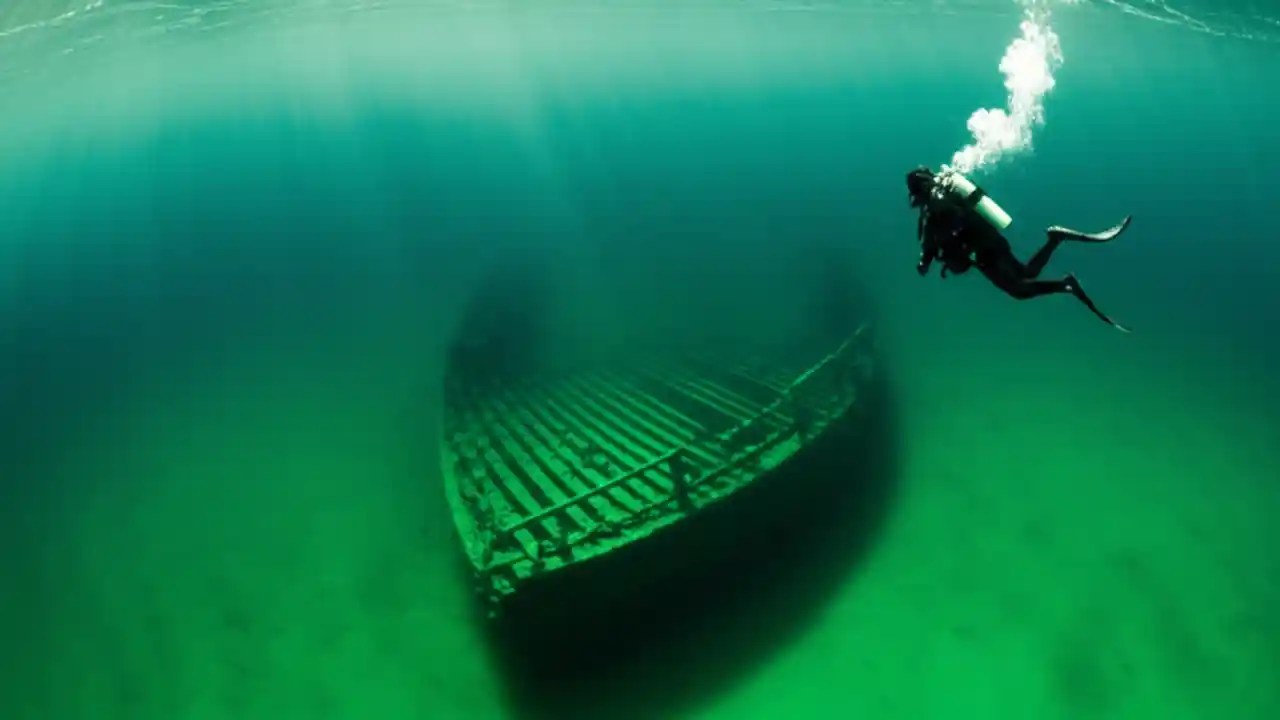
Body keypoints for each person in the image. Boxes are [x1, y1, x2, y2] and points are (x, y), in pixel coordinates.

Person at [905, 166, 1132, 332]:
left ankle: (1065, 282)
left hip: (983, 253)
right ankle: (1056, 242)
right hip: (993, 240)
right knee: (1026, 273)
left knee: (1018, 290)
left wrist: (925, 262)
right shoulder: (946, 192)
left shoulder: (932, 209)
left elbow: (932, 243)